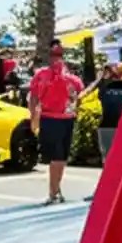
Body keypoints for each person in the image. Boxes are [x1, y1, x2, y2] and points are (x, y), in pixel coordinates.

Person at [29, 41, 84, 204]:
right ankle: (53, 193)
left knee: (62, 157)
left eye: (59, 55)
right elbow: (33, 97)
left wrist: (74, 101)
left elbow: (78, 98)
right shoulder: (41, 75)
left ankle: (57, 190)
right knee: (56, 157)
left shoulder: (72, 79)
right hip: (50, 119)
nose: (56, 59)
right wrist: (34, 118)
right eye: (54, 55)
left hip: (67, 119)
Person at [79, 63, 122, 160]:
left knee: (120, 156)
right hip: (105, 125)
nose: (109, 73)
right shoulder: (102, 84)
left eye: (111, 70)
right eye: (106, 71)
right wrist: (97, 80)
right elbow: (83, 94)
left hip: (120, 125)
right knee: (107, 158)